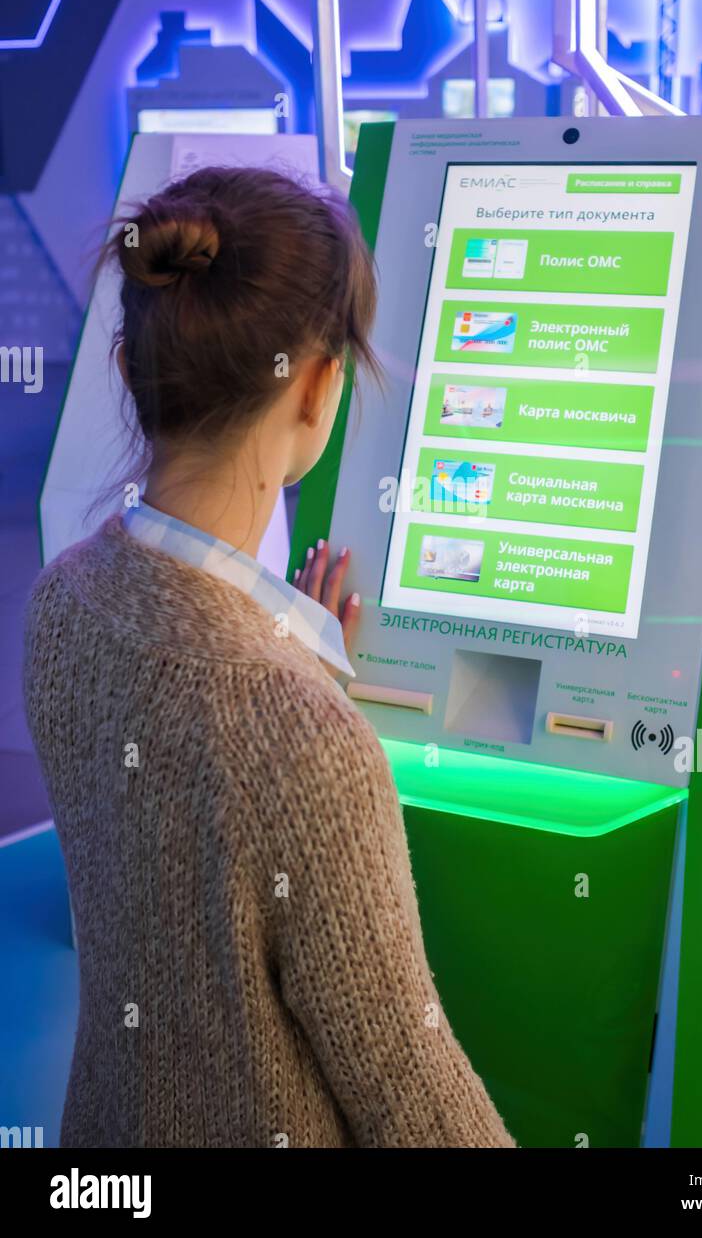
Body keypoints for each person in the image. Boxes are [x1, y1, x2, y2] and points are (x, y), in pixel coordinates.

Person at [24, 165, 515, 1149]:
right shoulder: (299, 735)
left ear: (131, 369)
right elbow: (408, 1088)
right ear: (321, 387)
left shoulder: (63, 603)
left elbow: (183, 859)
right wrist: (306, 699)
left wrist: (297, 656)